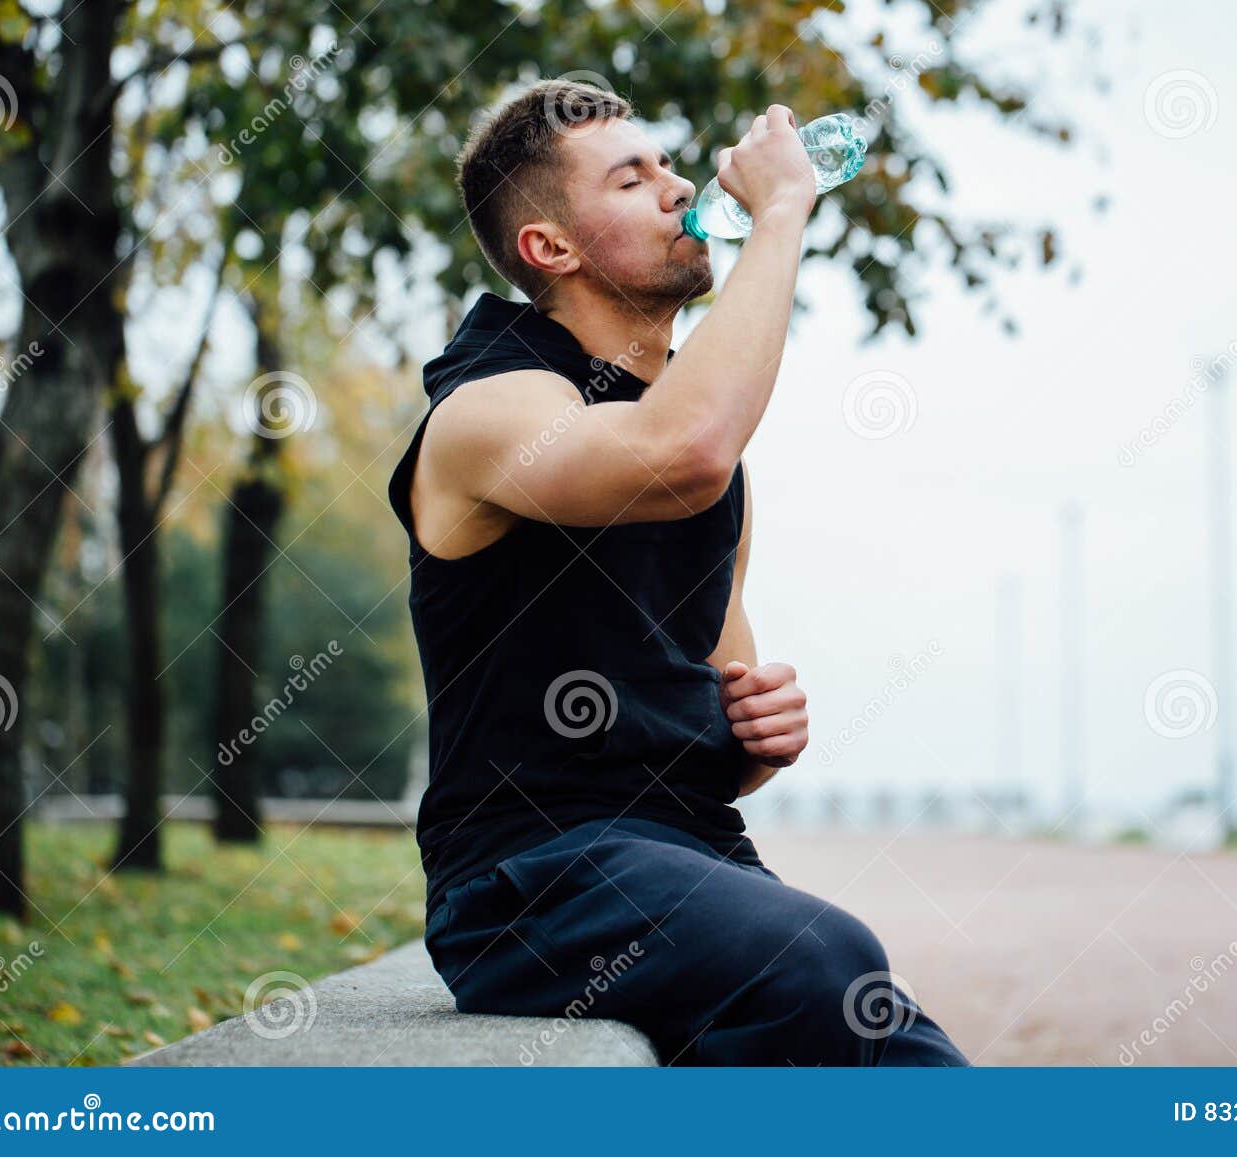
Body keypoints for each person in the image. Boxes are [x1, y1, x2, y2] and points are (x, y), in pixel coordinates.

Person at [386, 78, 968, 1066]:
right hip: (527, 882)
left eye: (667, 164)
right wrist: (783, 211)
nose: (677, 187)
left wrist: (756, 735)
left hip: (686, 857)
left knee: (909, 1053)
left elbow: (715, 733)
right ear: (551, 248)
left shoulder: (712, 474)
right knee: (819, 958)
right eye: (630, 178)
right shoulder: (484, 414)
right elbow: (681, 447)